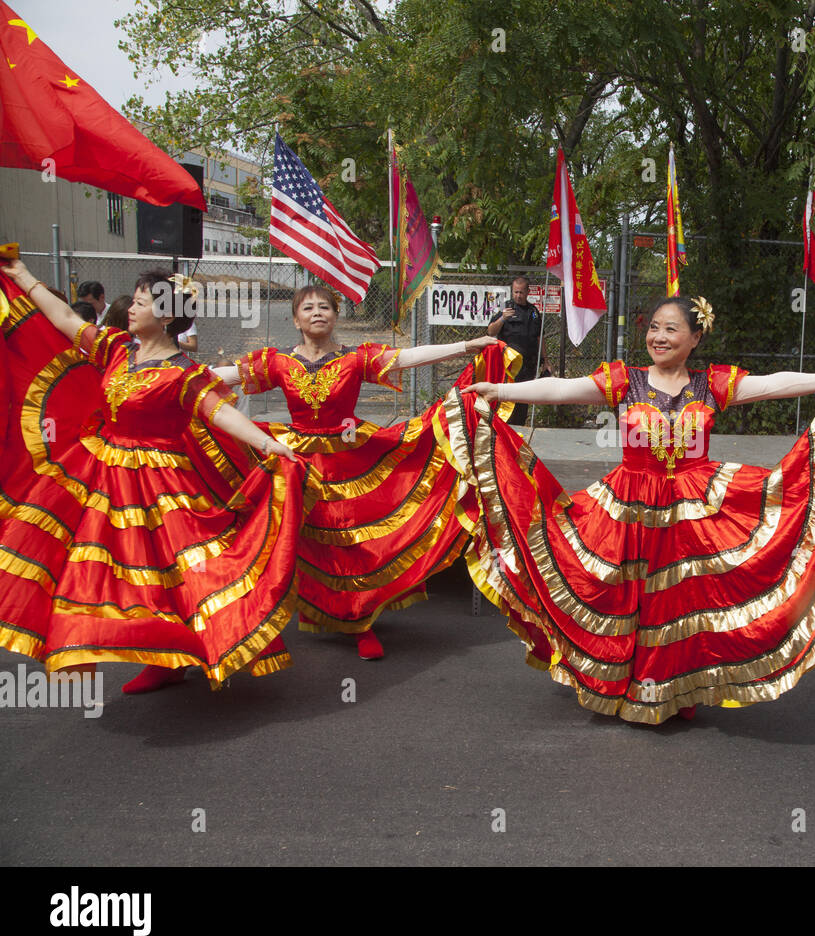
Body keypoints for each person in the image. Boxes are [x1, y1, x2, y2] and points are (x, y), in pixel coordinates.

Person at [445, 294, 815, 724]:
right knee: (628, 597)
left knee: (685, 604)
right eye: (655, 328)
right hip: (629, 509)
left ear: (695, 338)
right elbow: (562, 389)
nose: (659, 337)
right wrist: (498, 388)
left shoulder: (711, 383)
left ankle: (679, 688)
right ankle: (631, 684)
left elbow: (769, 384)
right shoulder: (625, 380)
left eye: (671, 329)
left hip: (695, 511)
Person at [0, 258, 310, 695]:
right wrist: (20, 276)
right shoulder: (114, 349)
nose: (131, 308)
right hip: (101, 472)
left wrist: (268, 445)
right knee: (105, 569)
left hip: (161, 484)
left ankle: (190, 647)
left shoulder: (185, 373)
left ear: (165, 314)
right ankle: (157, 653)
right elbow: (66, 317)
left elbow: (220, 413)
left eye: (142, 302)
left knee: (181, 570)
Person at [211, 284, 509, 661]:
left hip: (348, 460)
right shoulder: (278, 362)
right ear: (295, 319)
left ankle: (360, 623)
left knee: (350, 544)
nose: (317, 312)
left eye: (325, 307)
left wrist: (467, 346)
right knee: (294, 541)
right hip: (294, 462)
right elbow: (224, 375)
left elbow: (405, 358)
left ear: (336, 316)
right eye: (308, 308)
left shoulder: (354, 359)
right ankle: (271, 619)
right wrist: (173, 375)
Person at [486, 276, 550, 425]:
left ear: (528, 292)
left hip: (528, 366)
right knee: (506, 400)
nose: (518, 296)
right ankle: (503, 428)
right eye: (515, 292)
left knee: (522, 401)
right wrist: (502, 318)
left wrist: (546, 361)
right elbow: (490, 331)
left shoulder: (533, 312)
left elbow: (540, 338)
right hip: (509, 367)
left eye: (521, 292)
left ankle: (519, 429)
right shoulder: (506, 309)